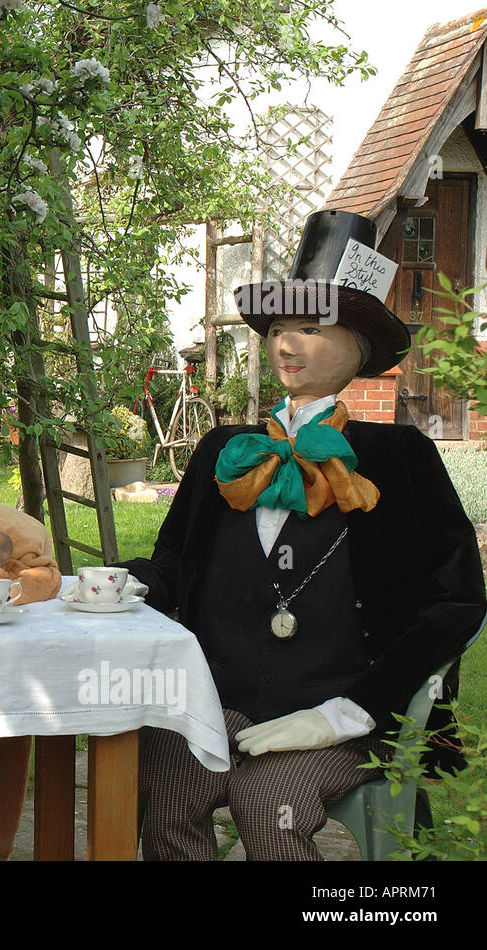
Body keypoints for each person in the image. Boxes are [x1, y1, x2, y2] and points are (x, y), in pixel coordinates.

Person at [114, 209, 487, 860]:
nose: (289, 343)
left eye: (312, 327)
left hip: (338, 708)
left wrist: (344, 713)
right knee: (168, 788)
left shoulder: (400, 458)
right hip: (213, 697)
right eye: (280, 327)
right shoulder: (223, 450)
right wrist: (127, 585)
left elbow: (456, 602)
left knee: (269, 804)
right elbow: (172, 565)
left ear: (360, 348)